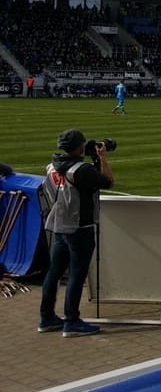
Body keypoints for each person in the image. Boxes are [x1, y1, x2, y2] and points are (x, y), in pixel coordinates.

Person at [38, 129, 115, 337]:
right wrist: (102, 158)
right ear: (79, 145)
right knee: (77, 274)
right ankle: (71, 321)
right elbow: (108, 181)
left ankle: (46, 318)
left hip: (59, 225)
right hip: (79, 227)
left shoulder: (51, 166)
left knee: (54, 272)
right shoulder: (81, 170)